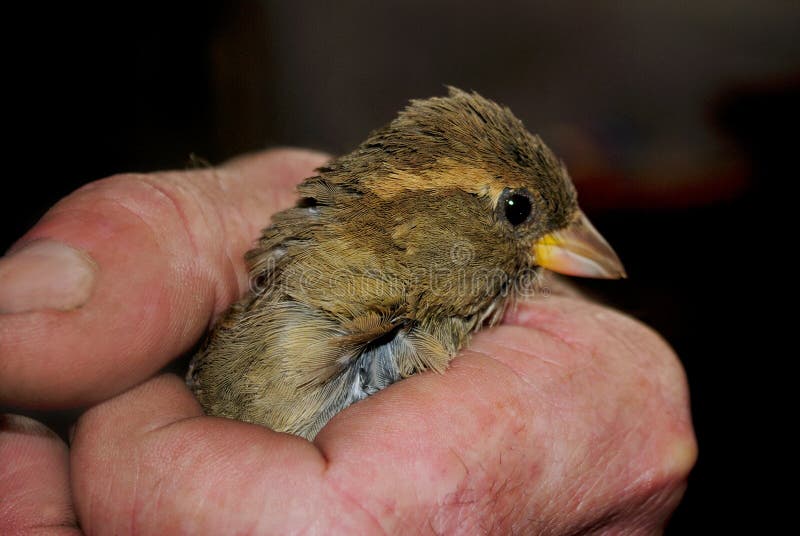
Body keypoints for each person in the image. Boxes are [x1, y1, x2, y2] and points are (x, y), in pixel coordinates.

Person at [0, 148, 696, 533]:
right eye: (518, 211)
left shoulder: (460, 326)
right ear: (420, 219)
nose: (580, 247)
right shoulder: (268, 310)